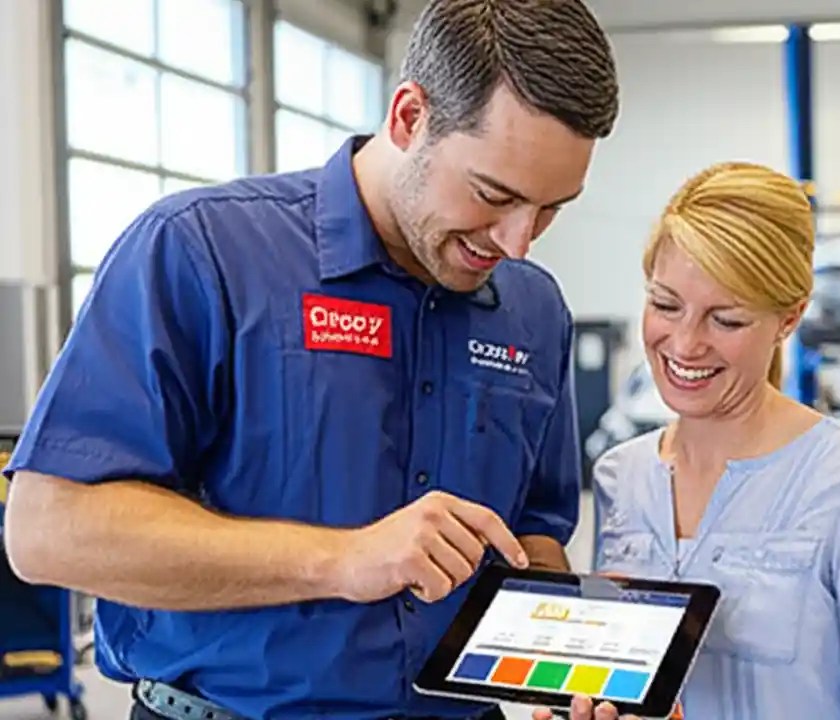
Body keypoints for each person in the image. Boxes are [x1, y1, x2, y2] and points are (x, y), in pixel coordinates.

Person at [1, 1, 618, 719]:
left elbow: (534, 533)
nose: (517, 242)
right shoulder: (203, 253)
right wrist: (344, 558)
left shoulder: (533, 308)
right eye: (494, 195)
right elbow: (48, 533)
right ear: (409, 117)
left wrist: (574, 663)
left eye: (551, 208)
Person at [536, 162, 840, 720]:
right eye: (666, 305)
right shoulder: (620, 478)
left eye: (725, 320)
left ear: (789, 318)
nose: (685, 344)